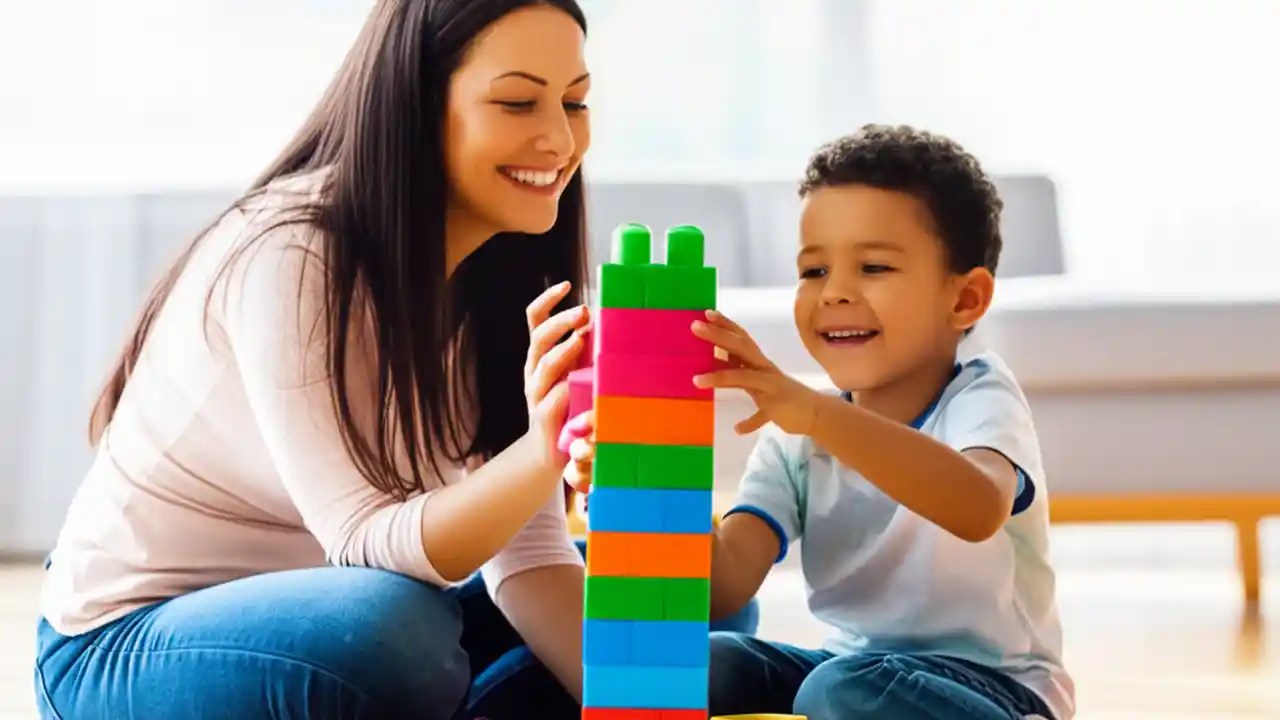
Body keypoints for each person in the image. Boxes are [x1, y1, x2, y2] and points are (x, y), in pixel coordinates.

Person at [32, 2, 761, 718]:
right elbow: (363, 545)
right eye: (516, 102)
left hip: (345, 611)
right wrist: (542, 451)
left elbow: (530, 553)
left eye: (574, 102)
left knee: (687, 611)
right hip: (127, 643)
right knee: (395, 636)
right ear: (416, 106)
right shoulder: (292, 252)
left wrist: (643, 695)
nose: (558, 139)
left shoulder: (511, 269)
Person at [566, 124, 1074, 719]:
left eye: (874, 268)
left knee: (835, 693)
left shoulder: (980, 397)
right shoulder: (797, 435)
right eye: (813, 271)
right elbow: (725, 586)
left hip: (995, 687)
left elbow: (976, 505)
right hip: (849, 667)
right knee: (715, 662)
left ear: (963, 301)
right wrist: (640, 484)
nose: (833, 293)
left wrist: (814, 414)